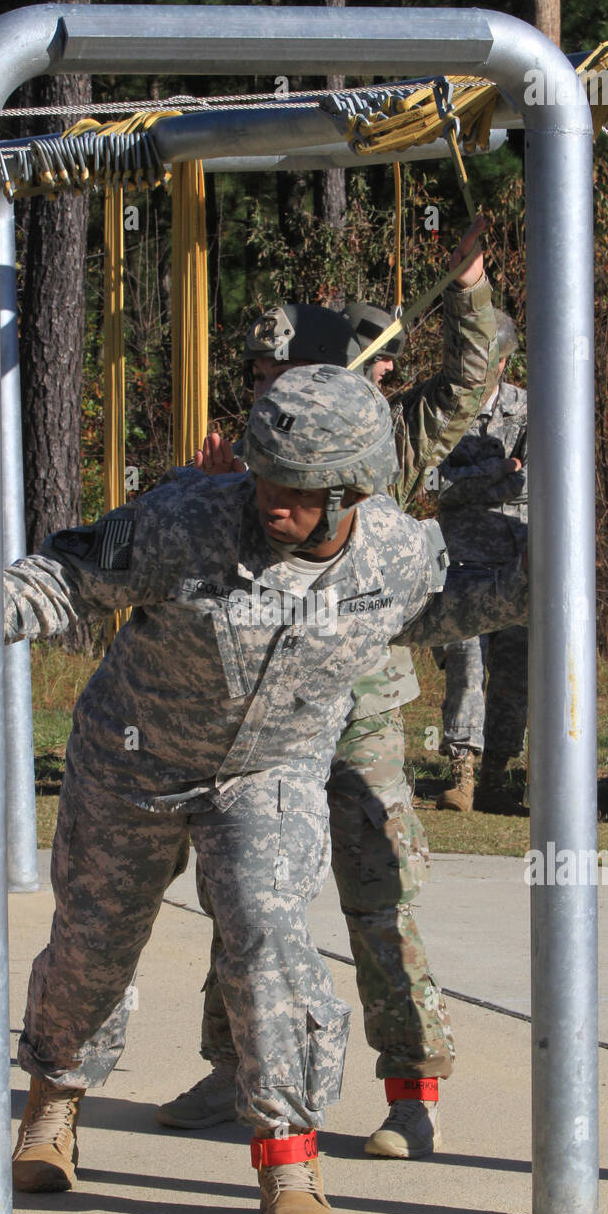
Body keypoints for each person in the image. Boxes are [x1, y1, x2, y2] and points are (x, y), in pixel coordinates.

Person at [0, 365, 526, 1214]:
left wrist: (551, 573)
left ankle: (288, 1155)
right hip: (134, 760)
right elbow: (70, 576)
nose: (270, 499)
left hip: (268, 772)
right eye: (264, 475)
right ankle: (54, 1105)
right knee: (94, 942)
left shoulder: (396, 550)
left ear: (351, 493)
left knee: (271, 941)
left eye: (297, 489)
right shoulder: (187, 520)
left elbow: (437, 609)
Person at [157, 219, 500, 1159]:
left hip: (354, 707)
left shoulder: (386, 441)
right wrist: (203, 491)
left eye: (279, 378)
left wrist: (468, 286)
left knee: (379, 892)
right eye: (256, 381)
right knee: (246, 892)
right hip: (258, 712)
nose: (264, 396)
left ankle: (412, 1090)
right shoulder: (244, 463)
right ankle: (236, 1069)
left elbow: (473, 377)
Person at [433, 309, 529, 815]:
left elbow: (530, 482)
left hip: (517, 558)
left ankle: (497, 774)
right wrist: (499, 468)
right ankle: (462, 772)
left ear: (504, 360)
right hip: (464, 559)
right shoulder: (446, 412)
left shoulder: (530, 410)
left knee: (514, 670)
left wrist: (478, 476)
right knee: (466, 665)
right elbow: (435, 484)